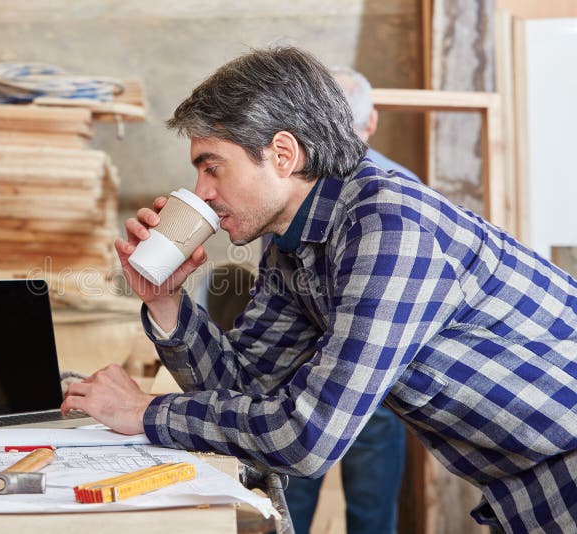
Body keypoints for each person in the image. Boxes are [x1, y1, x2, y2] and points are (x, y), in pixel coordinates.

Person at [61, 46, 577, 533]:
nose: (203, 193)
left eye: (212, 168)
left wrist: (144, 412)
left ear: (283, 154)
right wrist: (166, 300)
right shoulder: (294, 245)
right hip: (522, 489)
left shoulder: (389, 227)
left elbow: (307, 436)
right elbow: (244, 387)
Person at [281, 66, 417, 534]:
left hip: (322, 375)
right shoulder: (407, 184)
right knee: (369, 512)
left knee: (295, 507)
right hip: (368, 378)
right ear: (371, 121)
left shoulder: (298, 189)